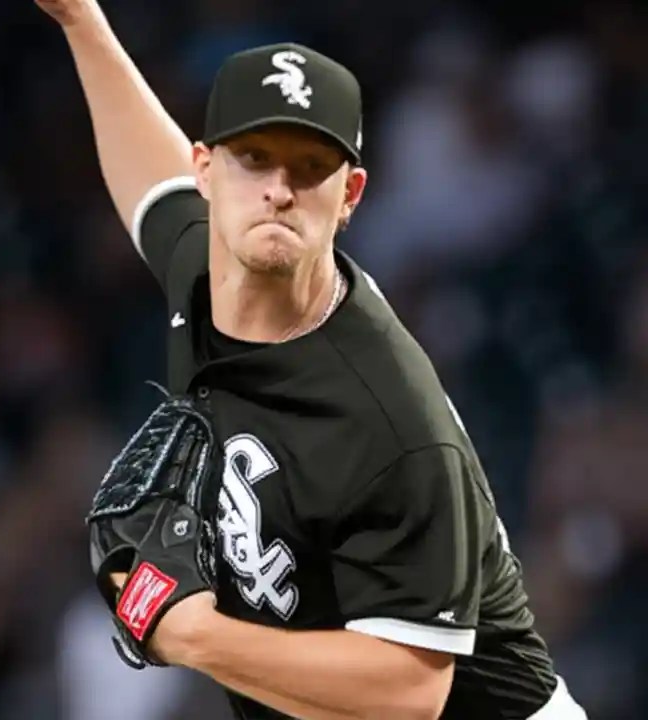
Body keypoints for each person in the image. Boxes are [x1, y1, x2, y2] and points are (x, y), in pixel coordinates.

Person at [34, 0, 589, 718]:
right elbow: (151, 183)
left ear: (350, 194)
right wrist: (84, 24)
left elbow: (410, 693)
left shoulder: (390, 416)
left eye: (310, 167)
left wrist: (194, 635)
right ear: (206, 171)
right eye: (254, 158)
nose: (277, 192)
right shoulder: (210, 279)